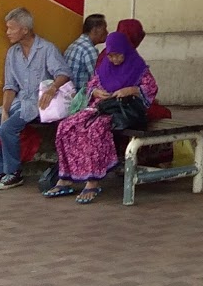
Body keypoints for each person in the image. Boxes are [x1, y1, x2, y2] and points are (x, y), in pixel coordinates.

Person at [44, 30, 157, 203]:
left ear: (125, 51)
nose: (114, 60)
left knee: (94, 130)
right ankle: (65, 177)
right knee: (67, 126)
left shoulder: (138, 66)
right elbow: (92, 85)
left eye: (118, 55)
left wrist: (131, 90)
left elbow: (151, 89)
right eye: (111, 56)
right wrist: (96, 91)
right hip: (102, 107)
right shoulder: (105, 66)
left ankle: (92, 182)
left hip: (122, 111)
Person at [0, 7, 69, 190]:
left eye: (11, 28)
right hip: (18, 102)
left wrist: (52, 89)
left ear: (24, 29)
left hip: (38, 104)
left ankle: (14, 173)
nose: (7, 32)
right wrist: (5, 110)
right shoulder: (12, 53)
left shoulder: (46, 49)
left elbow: (63, 73)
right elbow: (10, 86)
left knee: (8, 129)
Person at [62, 13, 108, 91]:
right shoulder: (89, 50)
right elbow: (99, 79)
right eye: (104, 29)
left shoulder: (74, 44)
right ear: (94, 30)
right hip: (80, 97)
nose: (107, 32)